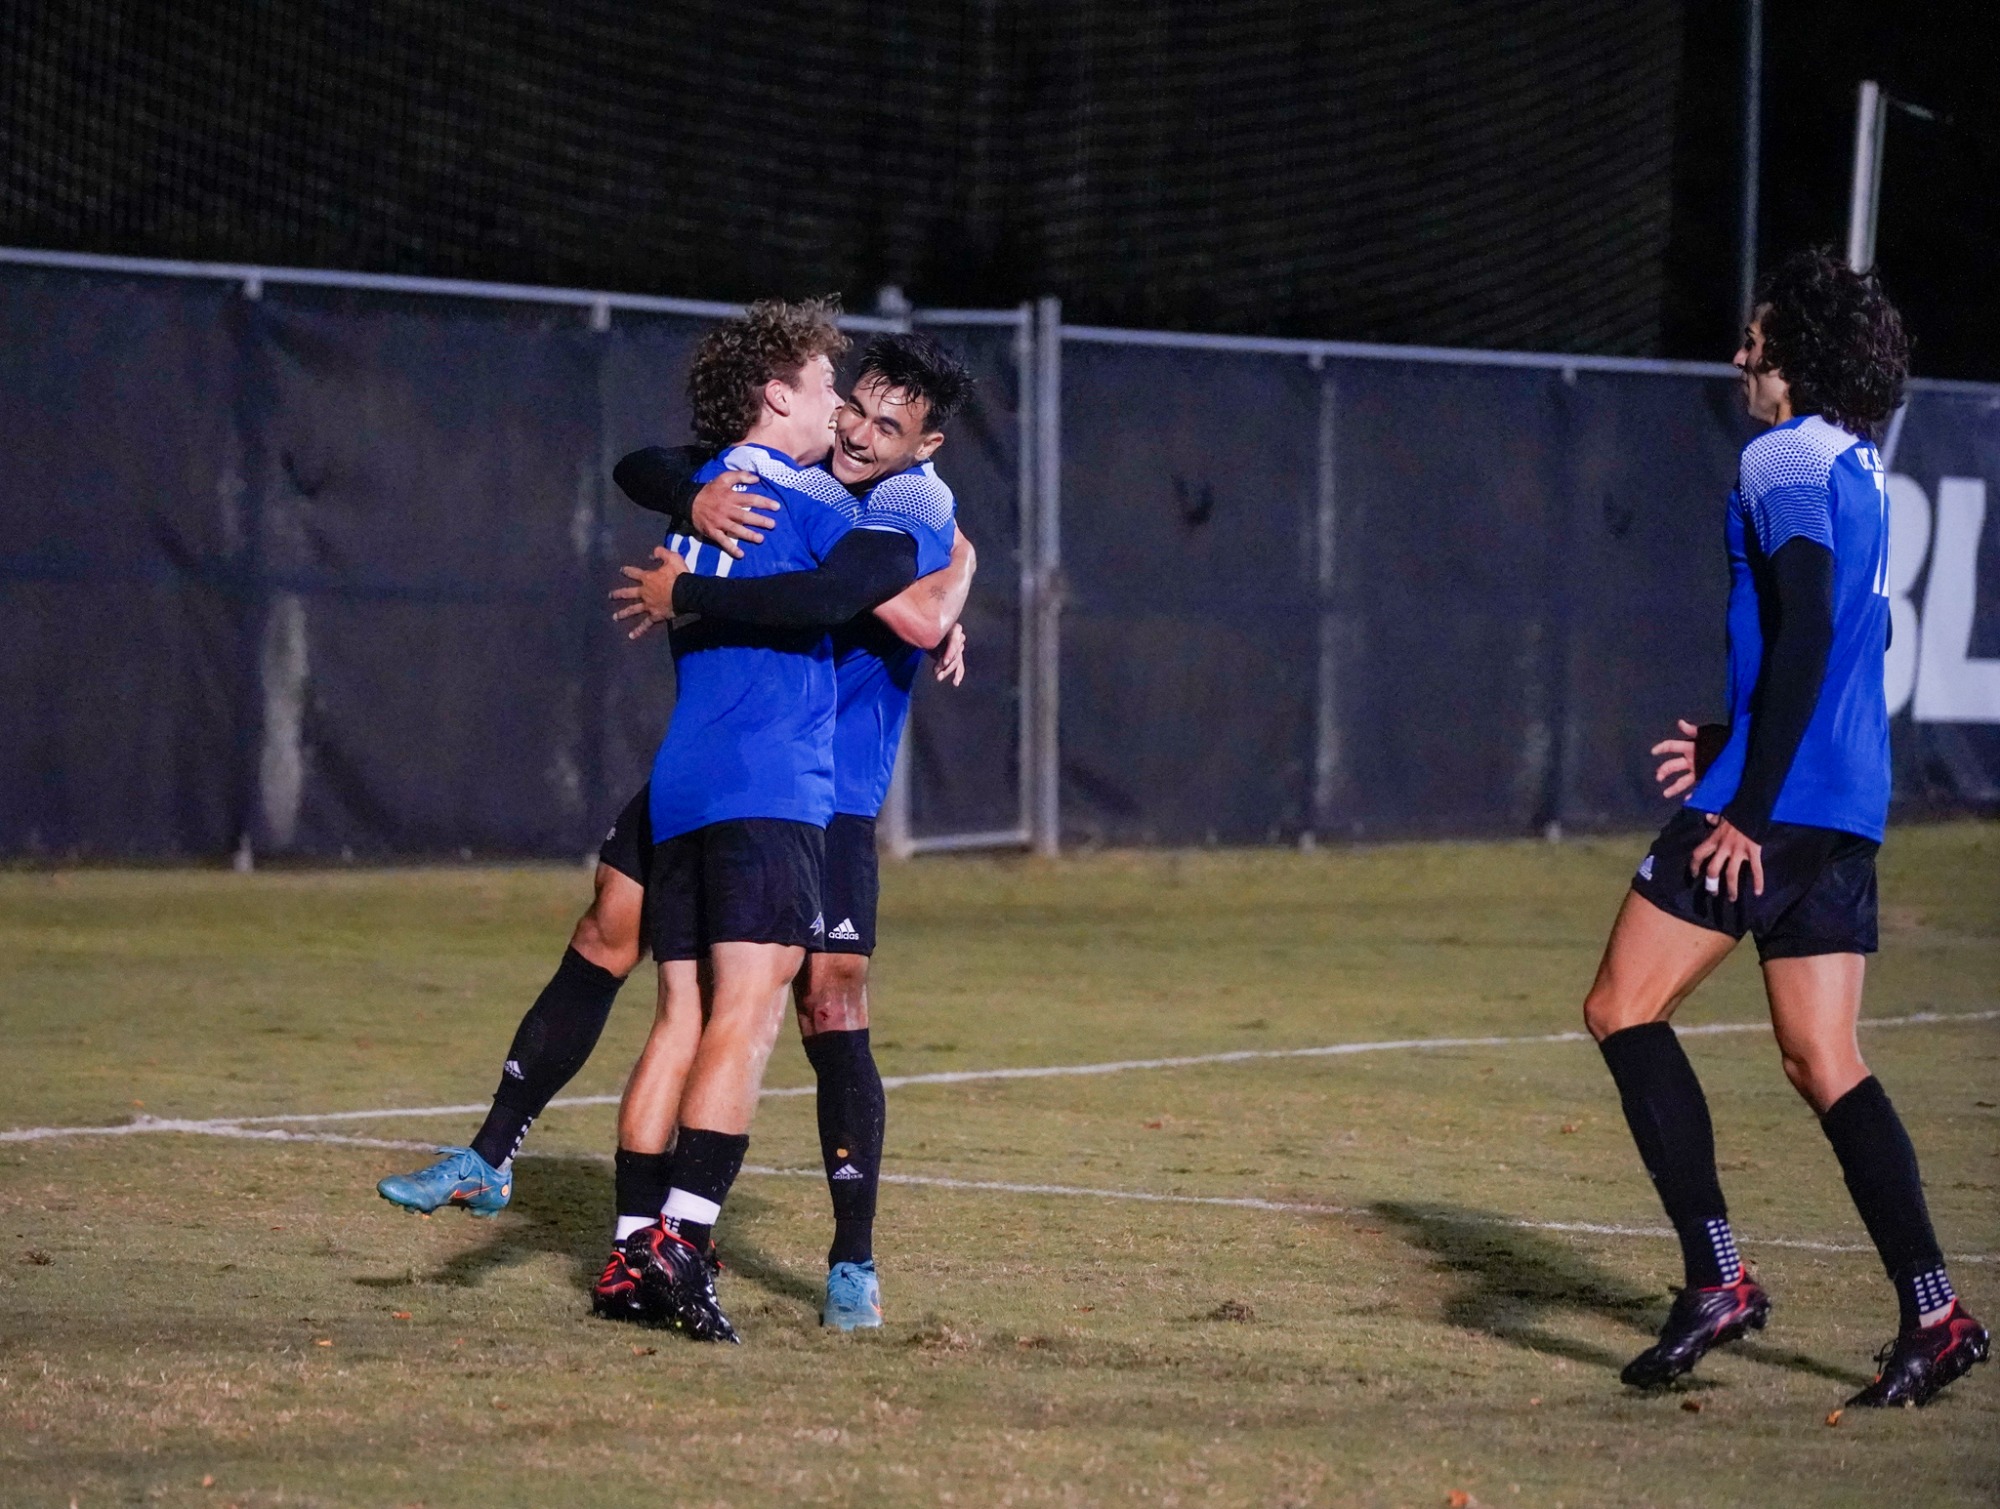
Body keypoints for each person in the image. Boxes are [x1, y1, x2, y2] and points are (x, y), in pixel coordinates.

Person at [1584, 248, 1987, 1407]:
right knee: (1823, 1059)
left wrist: (1740, 806)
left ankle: (1717, 1280)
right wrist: (1729, 738)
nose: (1739, 358)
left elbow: (1807, 631)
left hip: (1777, 810)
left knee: (1620, 1007)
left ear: (1794, 359)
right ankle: (1933, 1312)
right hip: (1844, 805)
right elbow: (1822, 652)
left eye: (1754, 341)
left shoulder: (1783, 458)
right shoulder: (1858, 468)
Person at [602, 332, 974, 1338]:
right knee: (694, 1000)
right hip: (763, 782)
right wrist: (690, 502)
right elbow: (646, 466)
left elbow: (889, 609)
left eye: (886, 425)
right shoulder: (800, 477)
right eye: (850, 404)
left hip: (834, 792)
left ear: (924, 445)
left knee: (826, 1001)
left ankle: (849, 1259)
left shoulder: (906, 503)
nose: (855, 428)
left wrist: (950, 591)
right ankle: (644, 1236)